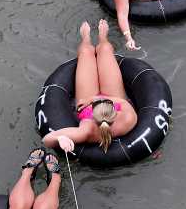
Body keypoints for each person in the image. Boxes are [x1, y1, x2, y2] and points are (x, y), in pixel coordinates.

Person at [42, 20, 140, 148]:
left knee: (86, 52)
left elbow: (46, 139)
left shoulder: (86, 130)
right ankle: (103, 36)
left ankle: (85, 38)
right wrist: (94, 99)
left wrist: (60, 139)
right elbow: (123, 103)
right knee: (104, 49)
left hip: (85, 103)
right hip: (110, 98)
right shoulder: (128, 118)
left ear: (92, 117)